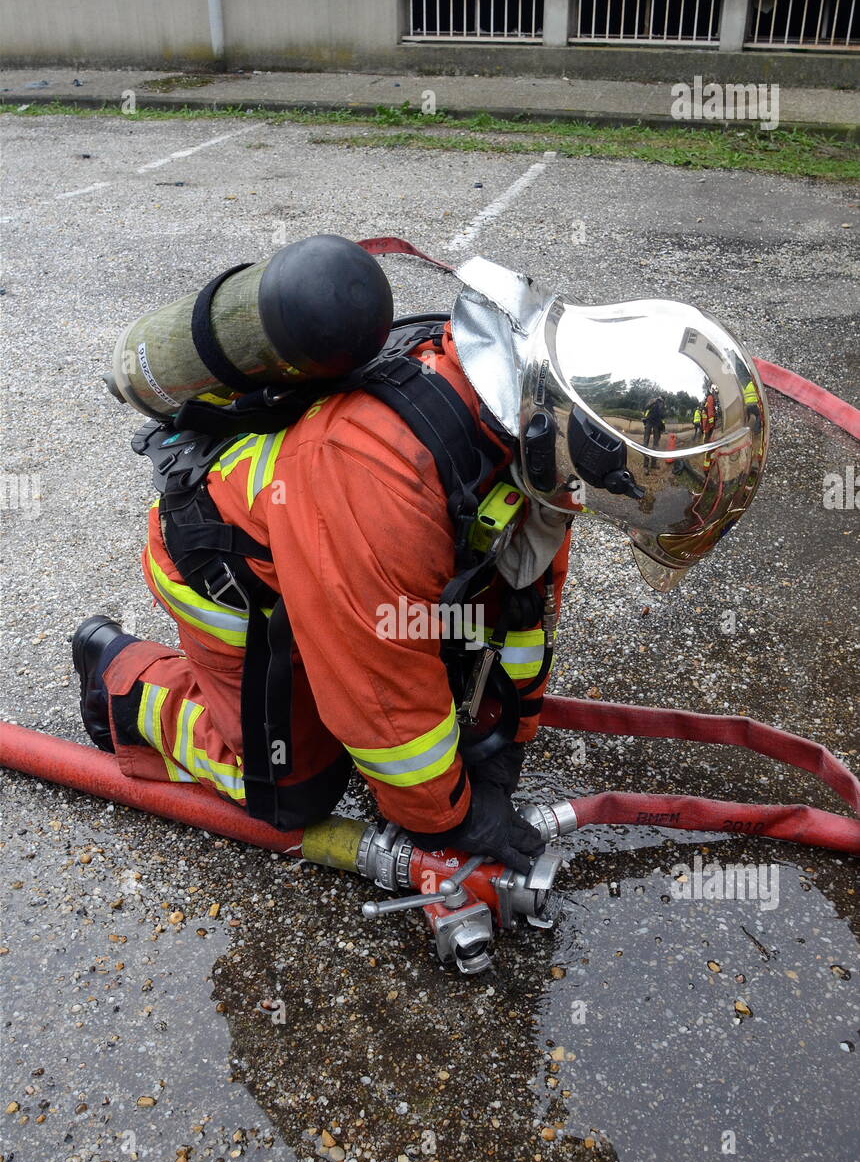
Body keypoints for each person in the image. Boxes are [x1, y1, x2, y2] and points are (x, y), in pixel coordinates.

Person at [73, 253, 769, 874]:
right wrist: (450, 815)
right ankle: (126, 688)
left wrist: (507, 734)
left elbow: (526, 604)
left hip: (338, 570)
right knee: (293, 789)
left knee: (427, 710)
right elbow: (381, 688)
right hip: (233, 582)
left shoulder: (534, 432)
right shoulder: (376, 473)